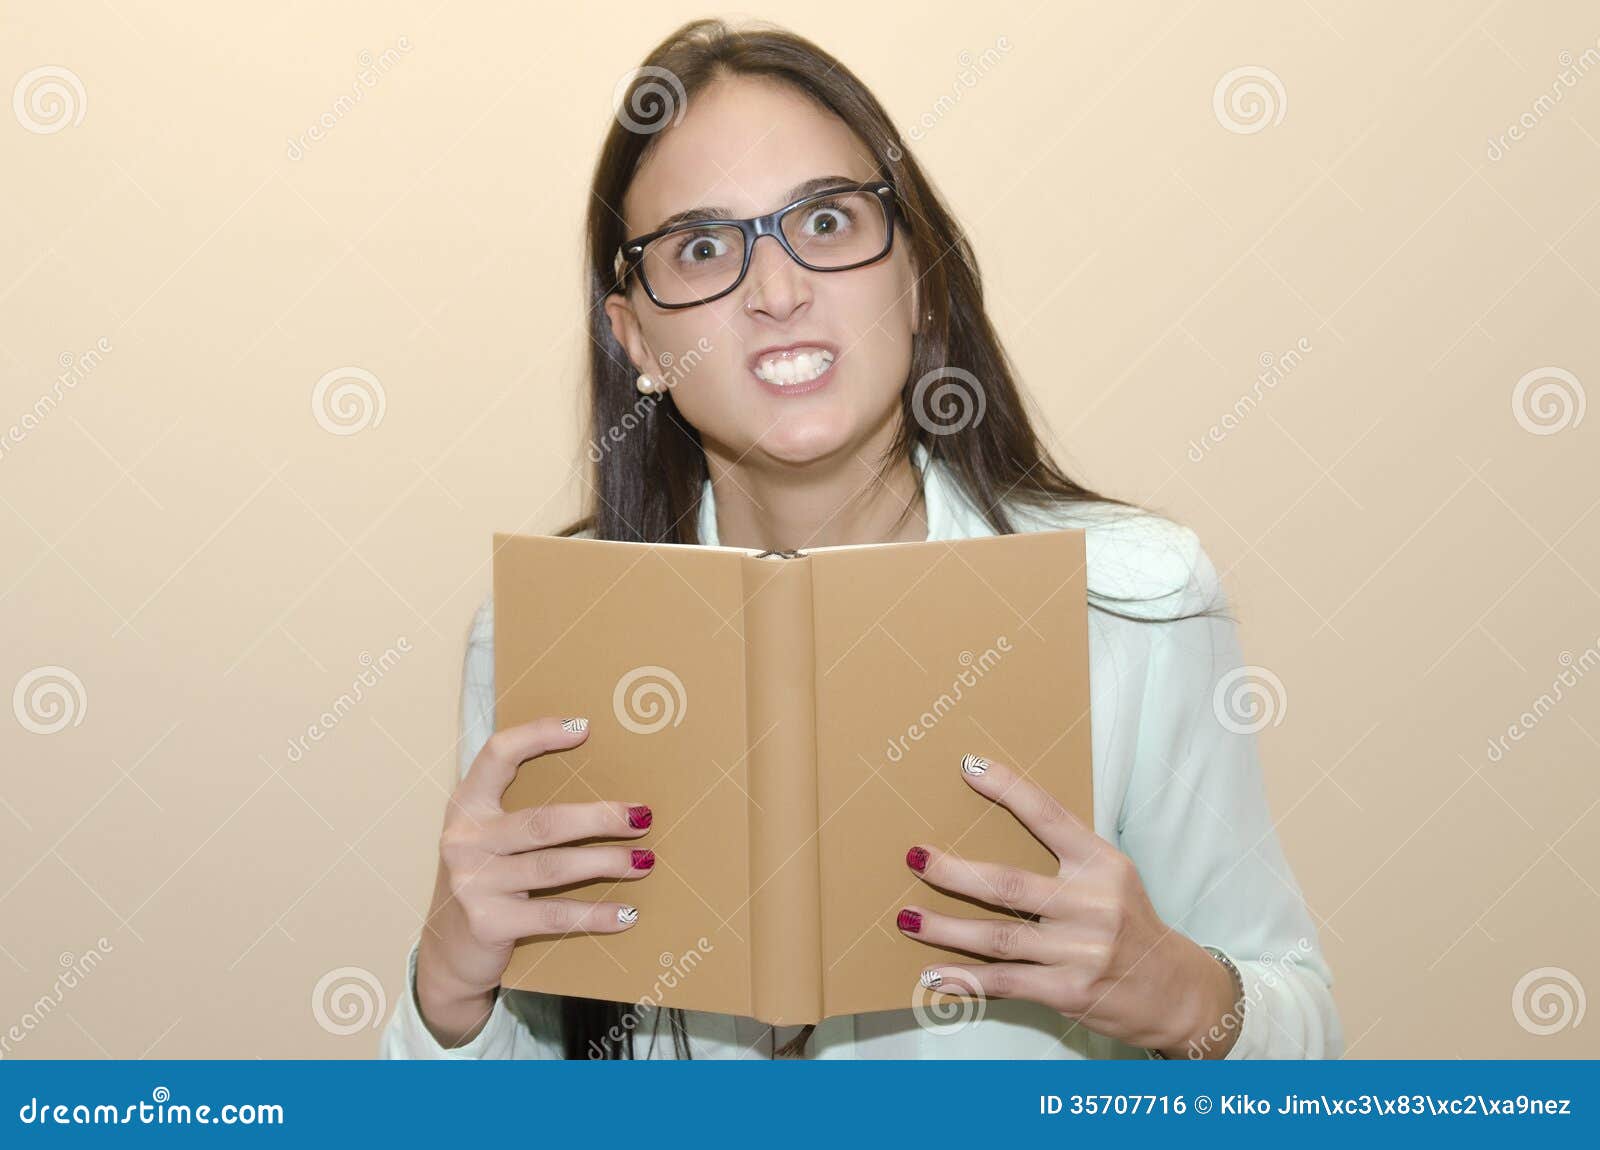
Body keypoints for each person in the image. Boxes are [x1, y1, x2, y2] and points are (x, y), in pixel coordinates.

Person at [380, 18, 1341, 1061]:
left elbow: (1306, 1038)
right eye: (703, 247)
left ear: (917, 277)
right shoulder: (541, 637)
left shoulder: (1134, 599)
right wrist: (449, 987)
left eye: (827, 223)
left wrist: (1178, 993)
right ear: (637, 339)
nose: (777, 292)